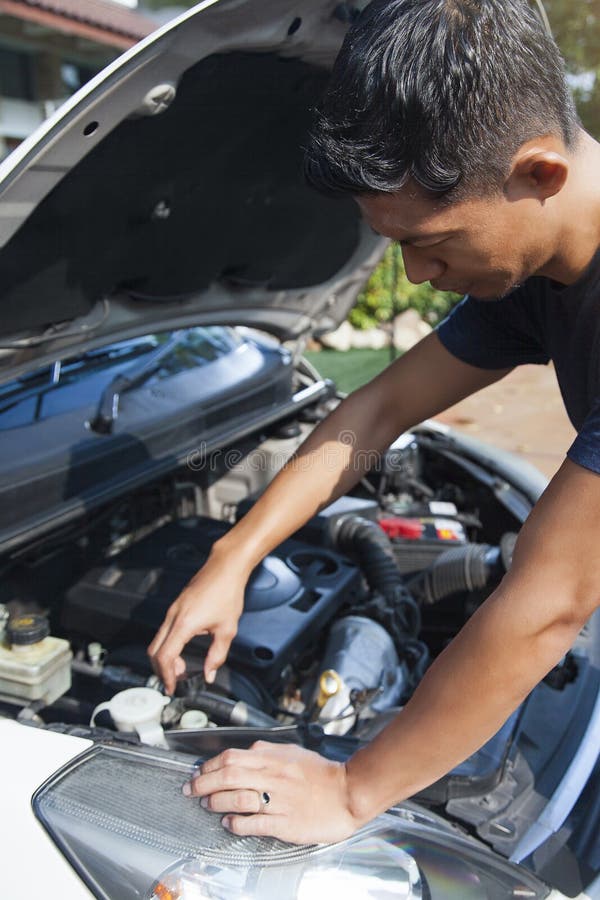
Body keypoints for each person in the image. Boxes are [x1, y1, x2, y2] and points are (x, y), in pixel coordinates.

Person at [148, 0, 600, 844]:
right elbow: (380, 406)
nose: (421, 274)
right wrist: (235, 554)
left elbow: (551, 601)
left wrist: (355, 789)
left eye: (435, 242)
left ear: (539, 173)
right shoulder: (542, 261)